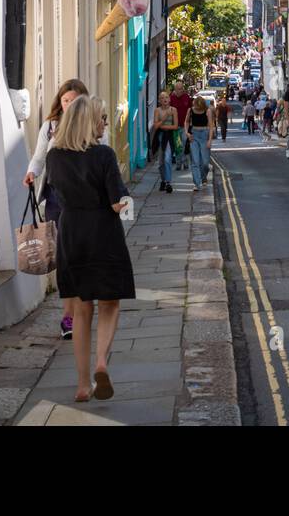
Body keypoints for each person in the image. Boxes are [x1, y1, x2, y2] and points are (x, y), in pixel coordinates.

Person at [46, 96, 134, 403]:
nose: (106, 123)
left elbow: (53, 193)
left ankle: (83, 385)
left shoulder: (54, 156)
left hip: (71, 234)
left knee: (82, 309)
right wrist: (125, 200)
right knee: (109, 303)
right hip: (103, 234)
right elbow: (116, 203)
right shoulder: (104, 155)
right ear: (89, 122)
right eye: (103, 119)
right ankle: (101, 362)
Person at [24, 78, 89, 339]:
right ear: (60, 103)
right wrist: (31, 172)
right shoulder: (50, 127)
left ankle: (82, 310)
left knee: (80, 257)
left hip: (84, 202)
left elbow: (102, 158)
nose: (69, 105)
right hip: (55, 199)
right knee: (64, 259)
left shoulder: (93, 127)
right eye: (65, 101)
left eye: (74, 101)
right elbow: (39, 157)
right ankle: (68, 317)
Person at [152, 91, 179, 193]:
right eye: (162, 98)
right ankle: (163, 180)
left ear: (170, 99)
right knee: (160, 163)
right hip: (160, 137)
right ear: (159, 100)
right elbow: (155, 126)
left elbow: (175, 126)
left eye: (167, 97)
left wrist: (162, 125)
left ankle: (168, 182)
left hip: (169, 137)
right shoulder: (157, 111)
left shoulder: (174, 110)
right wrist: (164, 117)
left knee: (168, 159)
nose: (165, 99)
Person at [185, 96, 212, 192]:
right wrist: (187, 133)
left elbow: (210, 126)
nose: (197, 109)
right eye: (196, 107)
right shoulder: (190, 110)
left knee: (205, 163)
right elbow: (187, 122)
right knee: (195, 161)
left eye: (199, 108)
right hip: (194, 136)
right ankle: (197, 183)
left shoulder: (207, 111)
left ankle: (203, 177)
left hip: (204, 135)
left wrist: (209, 140)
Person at [169, 81, 193, 171]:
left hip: (185, 126)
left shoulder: (186, 97)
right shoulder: (171, 98)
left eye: (181, 89)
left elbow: (190, 109)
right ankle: (182, 162)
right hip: (175, 126)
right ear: (175, 89)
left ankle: (181, 163)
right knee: (177, 146)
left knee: (183, 144)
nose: (180, 91)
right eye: (178, 89)